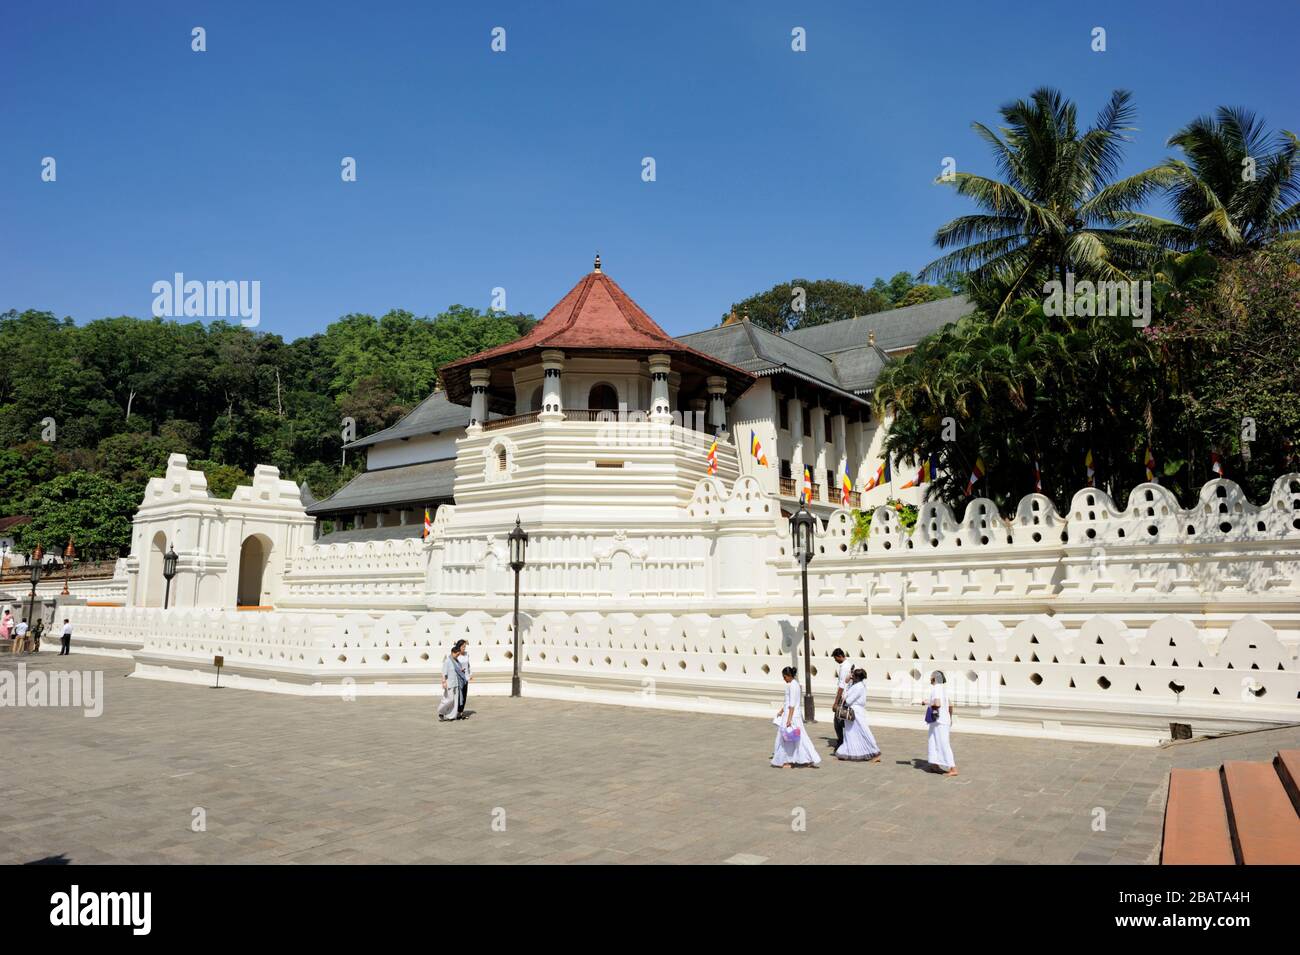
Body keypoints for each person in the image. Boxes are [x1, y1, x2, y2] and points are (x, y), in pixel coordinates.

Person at [771, 666, 821, 768]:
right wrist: (781, 711)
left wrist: (789, 719)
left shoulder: (793, 685)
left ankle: (789, 761)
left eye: (784, 677)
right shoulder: (793, 684)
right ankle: (806, 759)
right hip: (791, 714)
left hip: (792, 716)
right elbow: (787, 702)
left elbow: (792, 705)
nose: (784, 679)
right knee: (798, 738)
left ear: (789, 676)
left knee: (788, 738)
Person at [834, 668, 881, 762]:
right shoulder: (858, 685)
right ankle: (849, 751)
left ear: (857, 677)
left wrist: (843, 697)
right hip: (854, 712)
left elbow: (848, 700)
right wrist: (848, 683)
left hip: (855, 712)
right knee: (851, 733)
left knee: (863, 731)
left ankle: (875, 752)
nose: (852, 677)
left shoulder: (859, 687)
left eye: (854, 676)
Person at [923, 670, 958, 776]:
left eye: (931, 676)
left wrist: (925, 702)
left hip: (939, 721)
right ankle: (934, 764)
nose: (930, 678)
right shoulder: (943, 689)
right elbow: (950, 705)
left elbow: (937, 704)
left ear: (934, 678)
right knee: (933, 741)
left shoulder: (936, 689)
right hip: (941, 721)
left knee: (943, 743)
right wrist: (950, 718)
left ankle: (953, 769)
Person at [830, 648, 852, 750]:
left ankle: (841, 741)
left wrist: (835, 702)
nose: (835, 660)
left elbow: (841, 686)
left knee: (838, 721)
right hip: (848, 697)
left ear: (839, 656)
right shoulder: (849, 664)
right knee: (844, 720)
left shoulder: (844, 667)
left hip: (843, 698)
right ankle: (845, 740)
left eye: (835, 658)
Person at [438, 641, 464, 721]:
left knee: (455, 701)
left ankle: (451, 716)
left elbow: (458, 670)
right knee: (450, 699)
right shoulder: (447, 661)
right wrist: (444, 682)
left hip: (456, 683)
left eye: (459, 654)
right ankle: (441, 710)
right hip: (449, 683)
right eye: (457, 654)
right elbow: (443, 673)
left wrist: (461, 670)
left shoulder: (456, 661)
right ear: (453, 652)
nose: (458, 656)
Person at [456, 639, 472, 716]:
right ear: (459, 646)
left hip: (466, 677)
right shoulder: (456, 655)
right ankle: (457, 711)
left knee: (464, 694)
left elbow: (468, 665)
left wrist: (470, 675)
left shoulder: (466, 654)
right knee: (459, 695)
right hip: (458, 678)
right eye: (463, 646)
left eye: (465, 646)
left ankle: (461, 712)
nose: (464, 648)